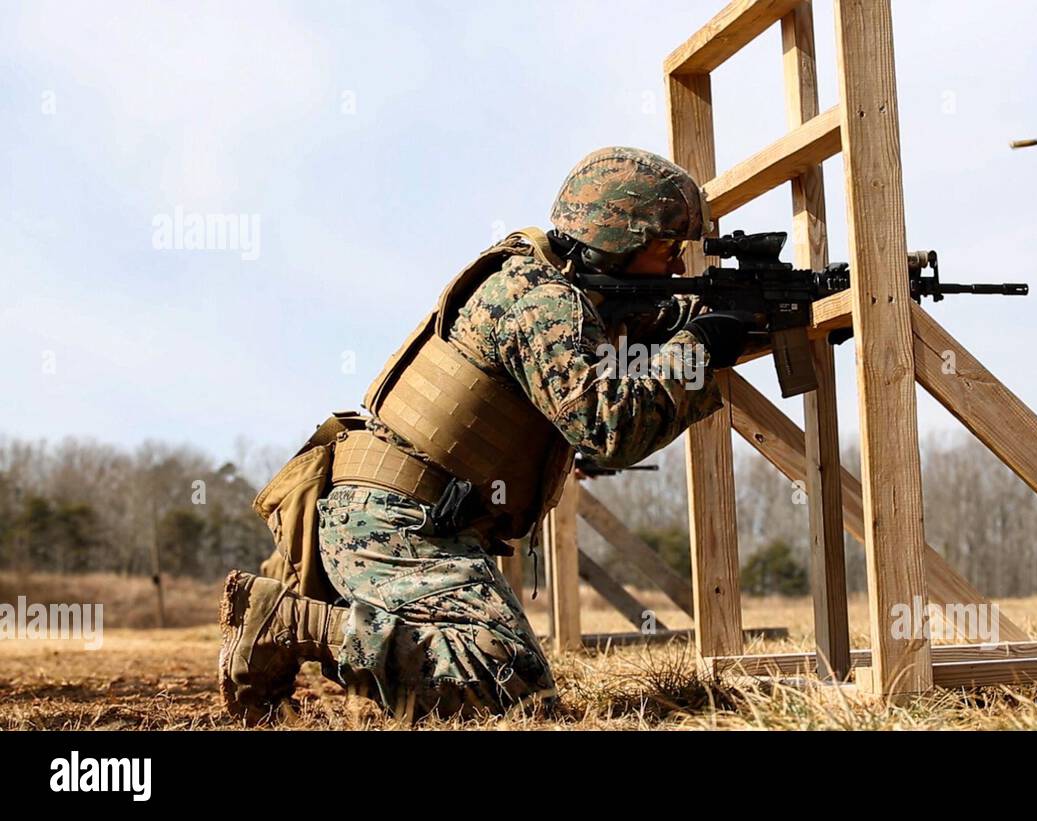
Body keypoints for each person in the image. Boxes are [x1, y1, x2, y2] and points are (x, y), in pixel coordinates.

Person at [217, 146, 757, 723]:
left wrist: (722, 314)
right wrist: (697, 349)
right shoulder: (540, 300)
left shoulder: (567, 287)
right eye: (667, 249)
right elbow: (610, 426)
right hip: (401, 522)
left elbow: (645, 326)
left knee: (500, 683)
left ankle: (361, 650)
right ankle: (294, 624)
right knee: (507, 691)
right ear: (619, 239)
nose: (677, 267)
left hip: (405, 515)